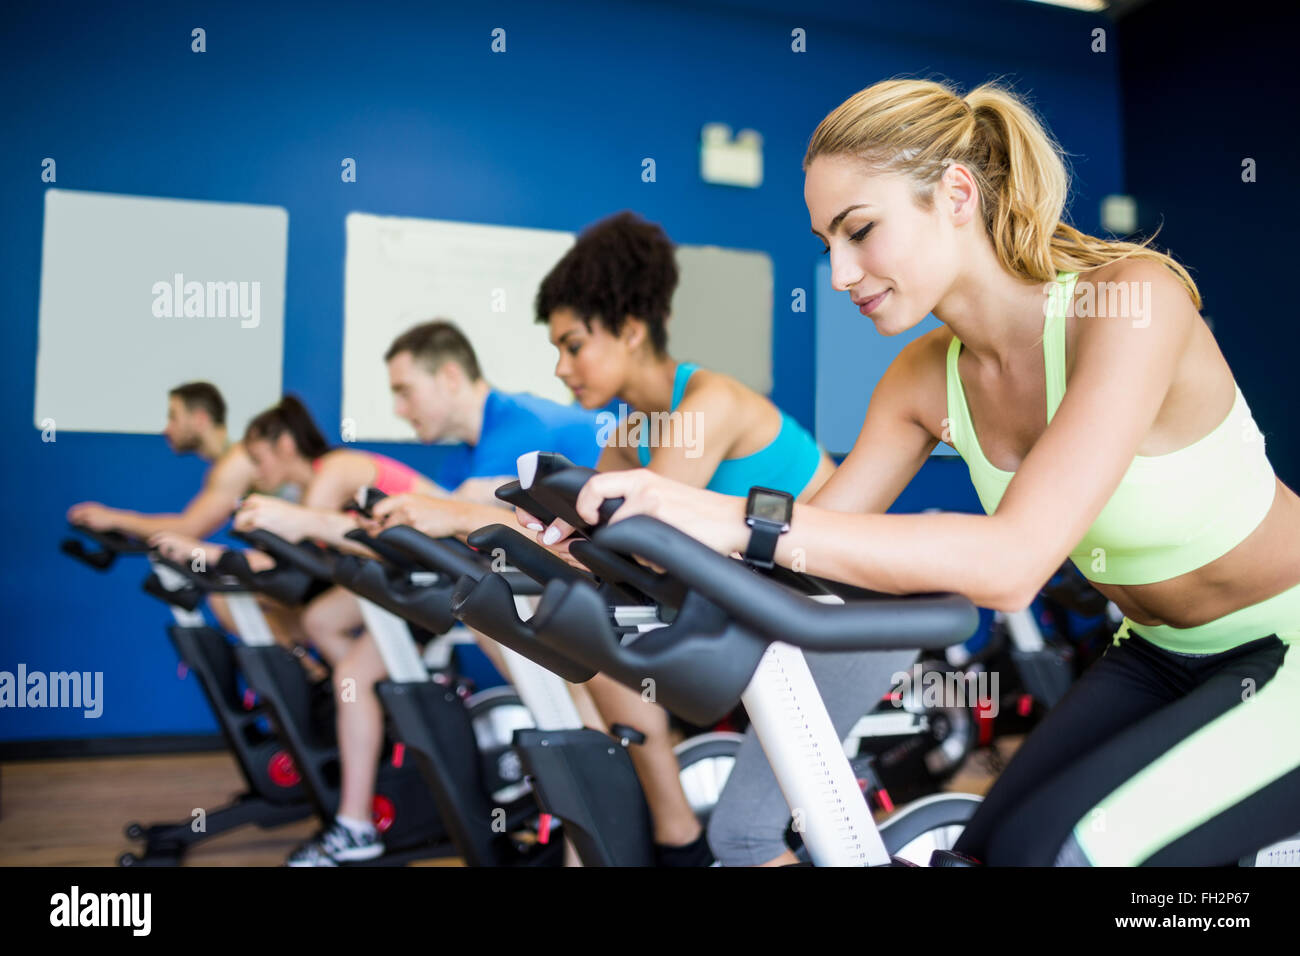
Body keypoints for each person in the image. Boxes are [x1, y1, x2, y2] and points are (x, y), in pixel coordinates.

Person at [562, 78, 1300, 866]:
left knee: (1067, 857)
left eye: (860, 231)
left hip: (1284, 645)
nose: (840, 273)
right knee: (987, 853)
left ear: (955, 193)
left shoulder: (1127, 305)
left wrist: (726, 516)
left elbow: (1014, 564)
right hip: (1155, 650)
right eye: (827, 245)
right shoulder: (923, 378)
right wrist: (611, 540)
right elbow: (807, 562)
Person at [497, 209, 920, 868]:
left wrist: (570, 533)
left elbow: (638, 542)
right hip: (783, 622)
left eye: (572, 344)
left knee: (744, 839)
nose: (560, 367)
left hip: (854, 622)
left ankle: (676, 835)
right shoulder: (633, 433)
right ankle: (663, 832)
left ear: (631, 331)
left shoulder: (707, 407)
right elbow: (589, 537)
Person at [234, 320, 604, 865]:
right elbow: (434, 534)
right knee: (356, 655)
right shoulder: (467, 454)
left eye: (405, 391)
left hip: (599, 600)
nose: (400, 409)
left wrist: (304, 520)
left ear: (450, 376)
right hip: (522, 596)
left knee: (575, 719)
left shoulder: (519, 427)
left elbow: (467, 527)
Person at [66, 382, 267, 539]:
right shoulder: (233, 460)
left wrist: (112, 519)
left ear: (200, 419)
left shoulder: (237, 463)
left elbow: (188, 529)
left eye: (173, 417)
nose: (167, 429)